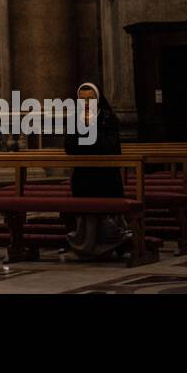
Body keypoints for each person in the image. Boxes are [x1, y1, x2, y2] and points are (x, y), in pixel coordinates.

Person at [63, 82, 132, 260]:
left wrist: (89, 130)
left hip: (106, 175)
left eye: (90, 99)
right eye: (82, 99)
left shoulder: (108, 118)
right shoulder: (74, 119)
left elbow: (110, 146)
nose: (86, 103)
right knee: (86, 213)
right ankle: (87, 247)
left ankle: (112, 245)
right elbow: (70, 146)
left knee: (107, 212)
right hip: (83, 175)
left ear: (98, 100)